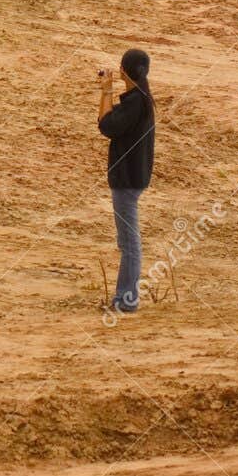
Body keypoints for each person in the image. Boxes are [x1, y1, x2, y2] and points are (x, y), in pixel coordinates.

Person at [97, 48, 155, 314]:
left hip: (127, 180)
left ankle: (126, 300)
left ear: (123, 71)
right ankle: (124, 297)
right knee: (128, 242)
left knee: (129, 243)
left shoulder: (135, 103)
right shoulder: (141, 99)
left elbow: (106, 125)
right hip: (135, 177)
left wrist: (105, 91)